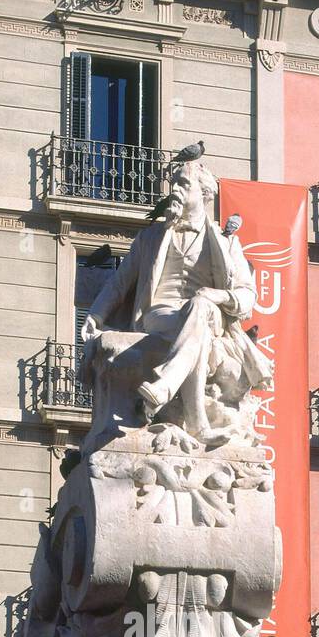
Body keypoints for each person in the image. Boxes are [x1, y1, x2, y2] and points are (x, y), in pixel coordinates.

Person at [80, 159, 271, 444]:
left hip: (208, 314)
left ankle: (165, 386)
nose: (175, 190)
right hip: (161, 314)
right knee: (200, 325)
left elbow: (246, 296)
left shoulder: (225, 241)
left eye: (183, 183)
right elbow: (120, 283)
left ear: (204, 194)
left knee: (201, 306)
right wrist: (95, 316)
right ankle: (196, 423)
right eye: (174, 184)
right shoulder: (151, 237)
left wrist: (216, 295)